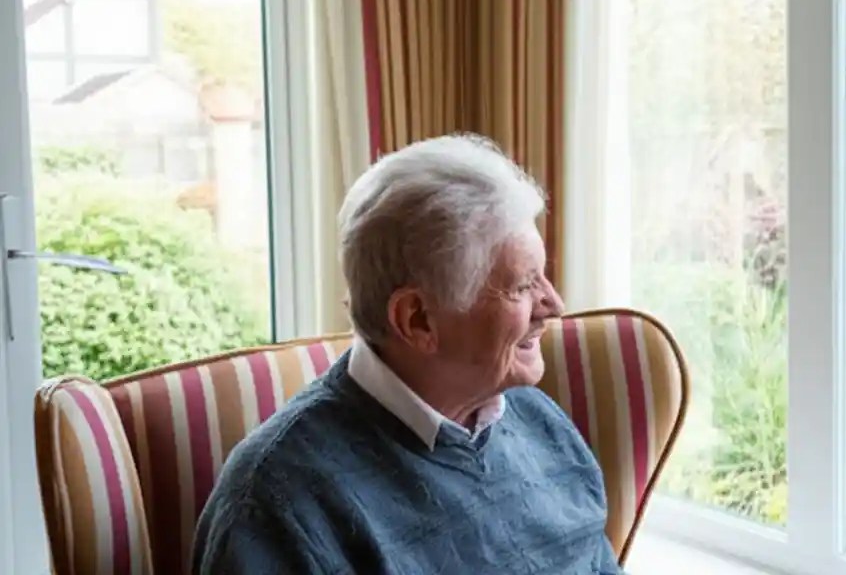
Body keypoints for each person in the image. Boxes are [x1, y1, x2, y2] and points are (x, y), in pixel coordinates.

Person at [192, 134, 622, 574]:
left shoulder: (537, 419)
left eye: (542, 275)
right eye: (522, 285)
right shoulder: (276, 508)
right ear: (417, 320)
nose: (553, 304)